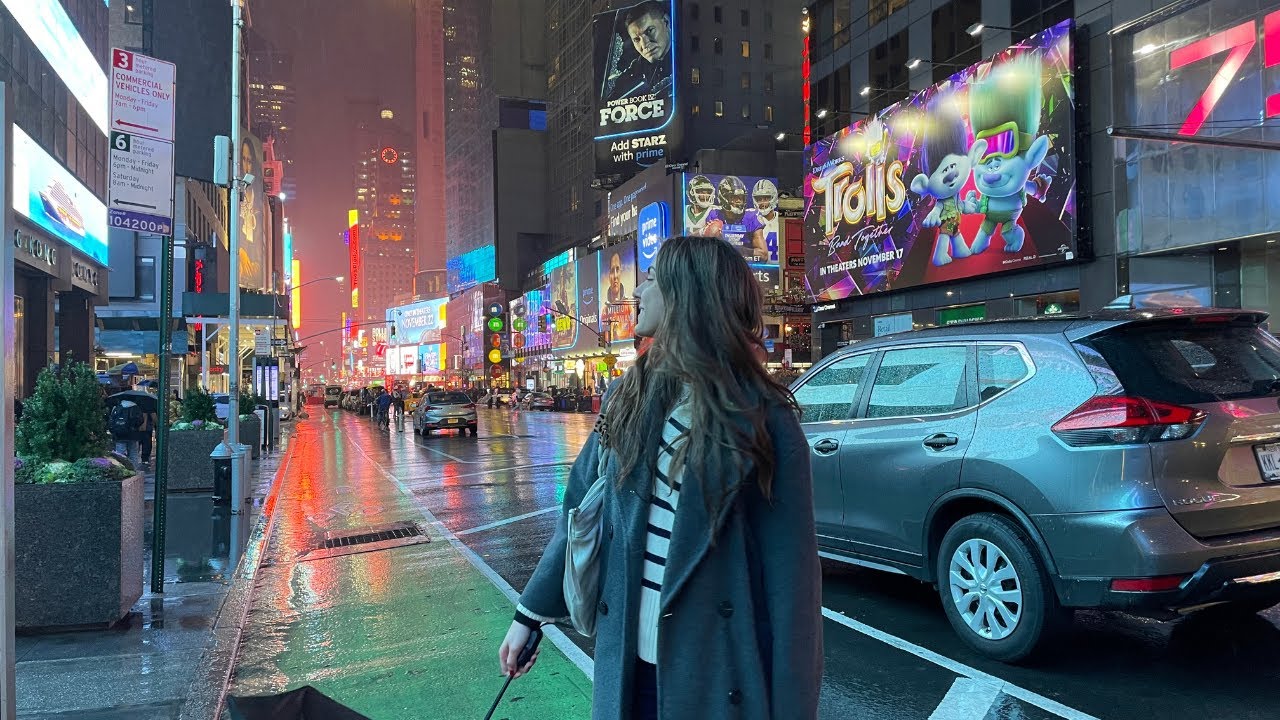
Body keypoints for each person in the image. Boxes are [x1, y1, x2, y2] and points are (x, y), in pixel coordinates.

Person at [498, 235, 822, 719]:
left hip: (714, 682)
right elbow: (580, 508)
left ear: (686, 297)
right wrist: (531, 614)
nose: (638, 290)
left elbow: (792, 592)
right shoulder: (629, 397)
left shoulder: (764, 419)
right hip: (629, 670)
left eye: (650, 279)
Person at [136, 403, 157, 469]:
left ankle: (135, 459)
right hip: (147, 429)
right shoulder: (149, 406)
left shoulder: (136, 405)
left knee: (136, 444)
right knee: (147, 444)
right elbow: (154, 418)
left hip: (137, 429)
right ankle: (145, 459)